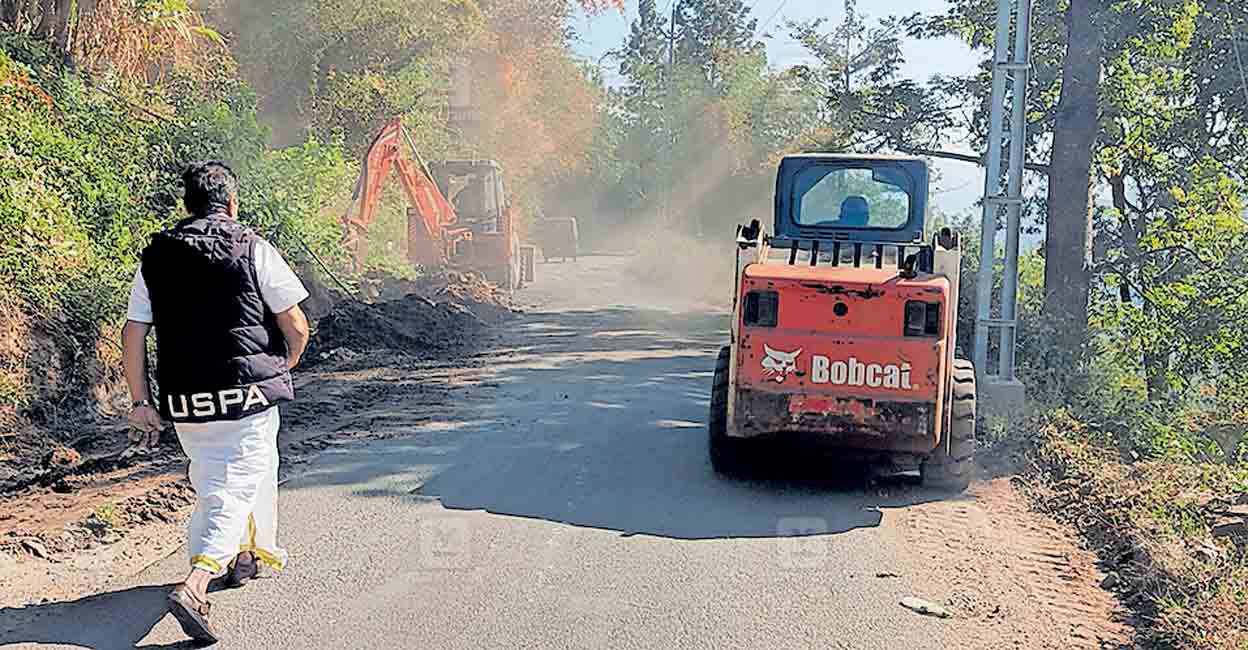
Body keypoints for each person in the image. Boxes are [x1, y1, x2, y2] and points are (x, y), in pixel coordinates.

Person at [121, 161, 311, 643]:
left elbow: (134, 332)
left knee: (215, 479)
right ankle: (198, 581)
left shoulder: (156, 256)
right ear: (231, 202)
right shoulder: (252, 246)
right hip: (247, 396)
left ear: (187, 205)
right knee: (239, 483)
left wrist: (142, 400)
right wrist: (284, 363)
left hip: (186, 401)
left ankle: (243, 557)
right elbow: (296, 323)